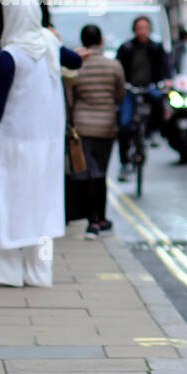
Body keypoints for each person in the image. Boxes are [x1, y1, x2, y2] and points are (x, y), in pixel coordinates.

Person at [0, 0, 85, 287]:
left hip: (14, 141)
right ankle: (39, 273)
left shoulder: (9, 55)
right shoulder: (49, 44)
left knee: (8, 205)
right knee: (43, 208)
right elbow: (76, 62)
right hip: (49, 142)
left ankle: (7, 272)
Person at [66, 24, 124, 238]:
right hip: (106, 125)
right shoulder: (113, 65)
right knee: (101, 171)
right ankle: (100, 218)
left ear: (83, 41)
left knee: (88, 172)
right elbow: (120, 94)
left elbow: (71, 96)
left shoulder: (77, 66)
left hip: (82, 125)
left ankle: (93, 220)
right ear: (100, 41)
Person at [115, 15, 170, 179]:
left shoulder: (156, 48)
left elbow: (166, 67)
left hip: (150, 87)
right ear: (135, 30)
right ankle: (124, 163)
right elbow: (118, 69)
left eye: (145, 28)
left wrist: (166, 80)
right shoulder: (126, 48)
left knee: (158, 102)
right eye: (139, 28)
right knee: (124, 125)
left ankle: (153, 132)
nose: (142, 31)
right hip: (130, 90)